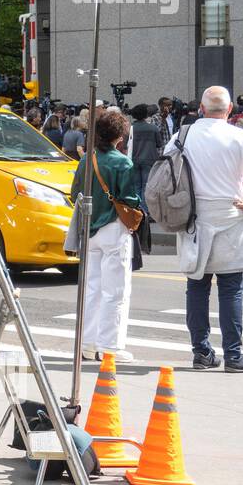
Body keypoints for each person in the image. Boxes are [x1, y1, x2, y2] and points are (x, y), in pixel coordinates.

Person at [166, 86, 243, 373]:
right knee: (231, 289)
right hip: (230, 213)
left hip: (193, 217)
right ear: (229, 111)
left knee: (196, 286)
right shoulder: (239, 136)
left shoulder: (183, 135)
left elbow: (166, 170)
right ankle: (234, 355)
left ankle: (202, 352)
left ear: (201, 109)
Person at [72, 108, 140, 360]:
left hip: (89, 228)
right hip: (114, 228)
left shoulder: (86, 160)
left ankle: (88, 343)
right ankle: (110, 345)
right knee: (116, 290)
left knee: (93, 288)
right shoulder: (123, 162)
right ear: (119, 138)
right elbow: (130, 198)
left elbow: (74, 193)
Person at [129, 104, 161, 211]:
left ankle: (136, 208)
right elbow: (159, 144)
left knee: (136, 185)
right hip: (149, 158)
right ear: (146, 114)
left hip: (133, 159)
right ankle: (145, 210)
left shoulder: (130, 128)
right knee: (146, 185)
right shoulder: (153, 128)